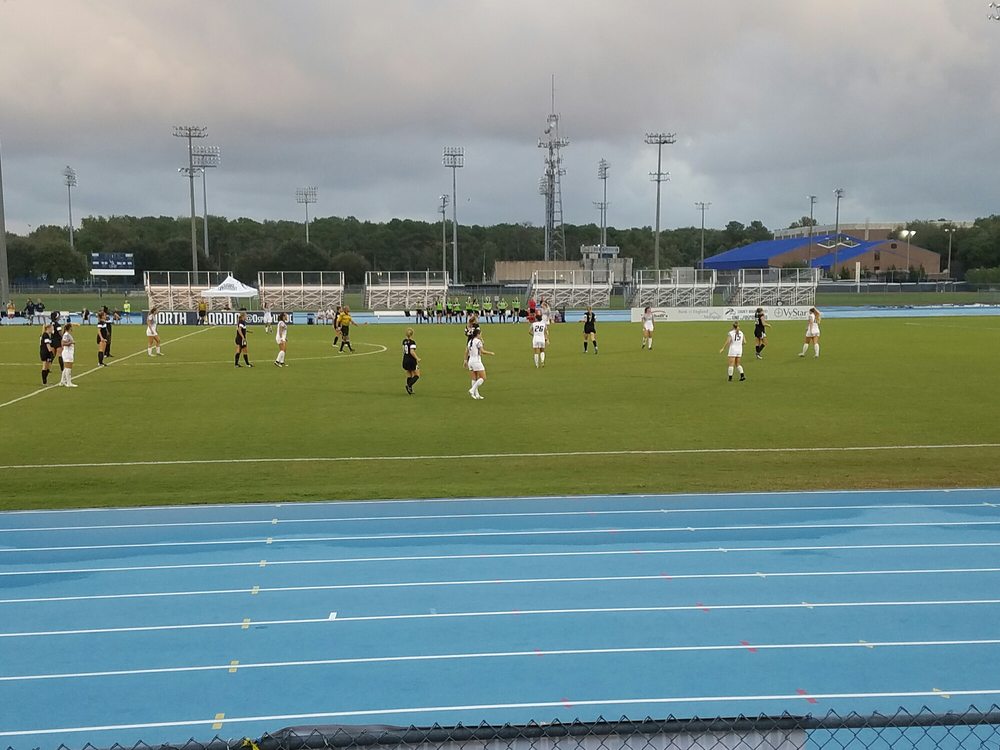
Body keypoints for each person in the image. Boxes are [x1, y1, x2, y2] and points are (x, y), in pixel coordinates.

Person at [465, 328, 494, 400]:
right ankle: (472, 390)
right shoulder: (478, 341)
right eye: (480, 334)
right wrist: (490, 353)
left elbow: (466, 351)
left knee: (474, 378)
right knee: (483, 377)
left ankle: (476, 395)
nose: (481, 335)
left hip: (470, 361)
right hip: (476, 361)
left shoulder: (470, 341)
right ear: (477, 334)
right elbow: (482, 351)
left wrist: (465, 360)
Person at [402, 327, 420, 394]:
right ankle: (409, 385)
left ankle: (410, 389)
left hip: (405, 359)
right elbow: (412, 352)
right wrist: (417, 358)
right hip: (411, 360)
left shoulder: (404, 341)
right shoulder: (412, 342)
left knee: (409, 373)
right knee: (417, 375)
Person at [60, 322, 78, 387]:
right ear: (70, 328)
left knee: (66, 368)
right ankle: (69, 382)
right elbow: (63, 343)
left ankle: (62, 381)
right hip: (67, 352)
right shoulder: (66, 335)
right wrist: (71, 342)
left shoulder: (67, 334)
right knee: (68, 367)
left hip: (68, 352)